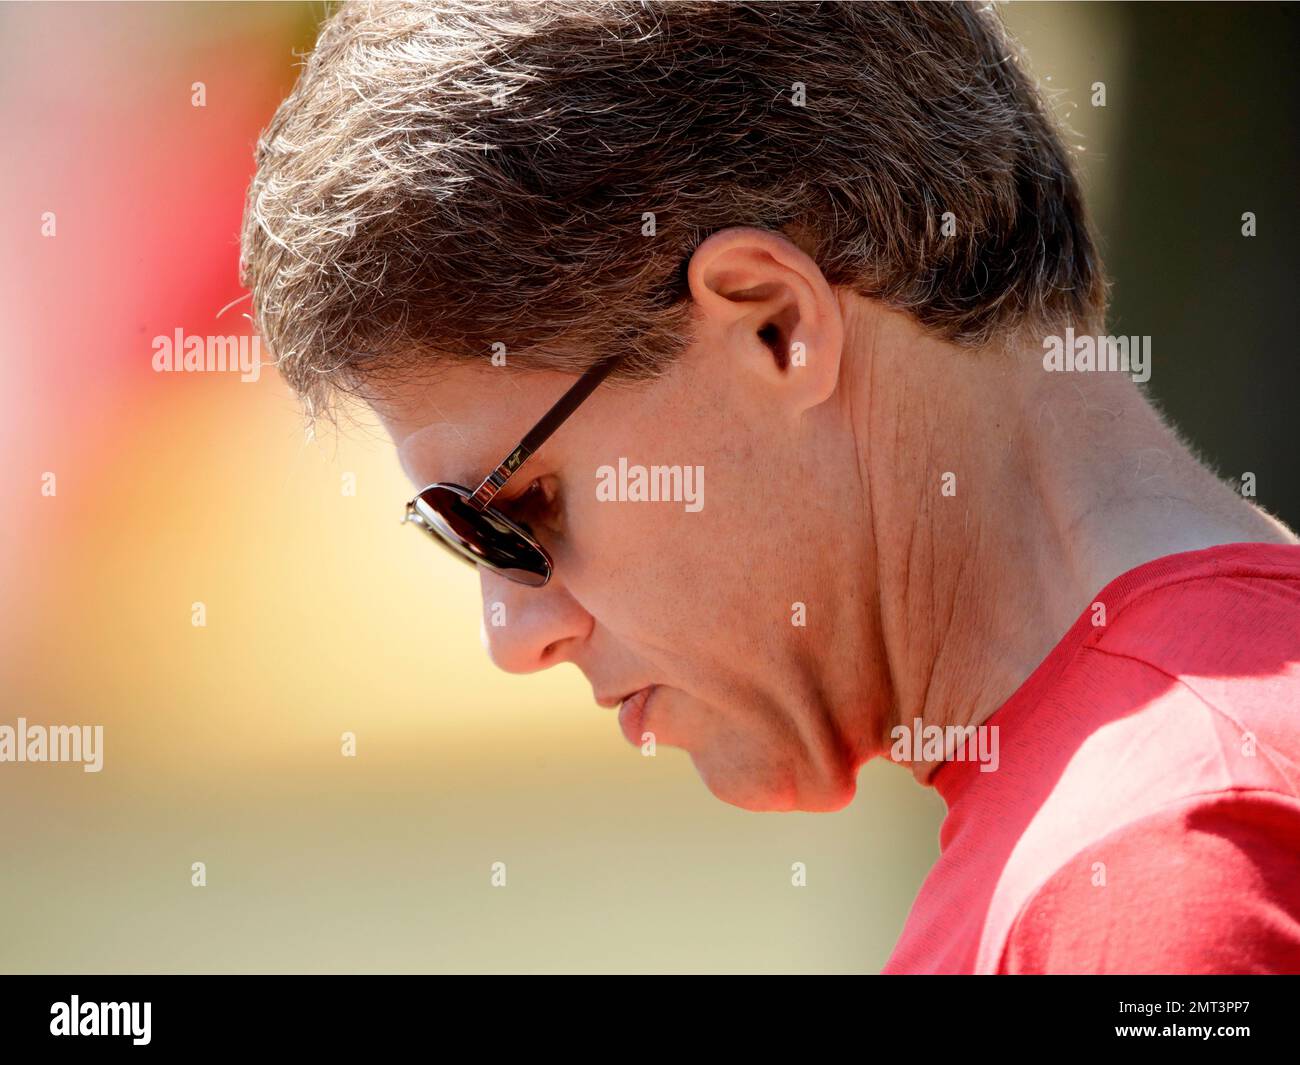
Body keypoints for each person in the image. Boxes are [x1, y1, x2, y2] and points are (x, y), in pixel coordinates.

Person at [239, 1, 1300, 973]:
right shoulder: (1171, 804)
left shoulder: (1157, 872)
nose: (514, 636)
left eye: (513, 512)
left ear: (774, 328)